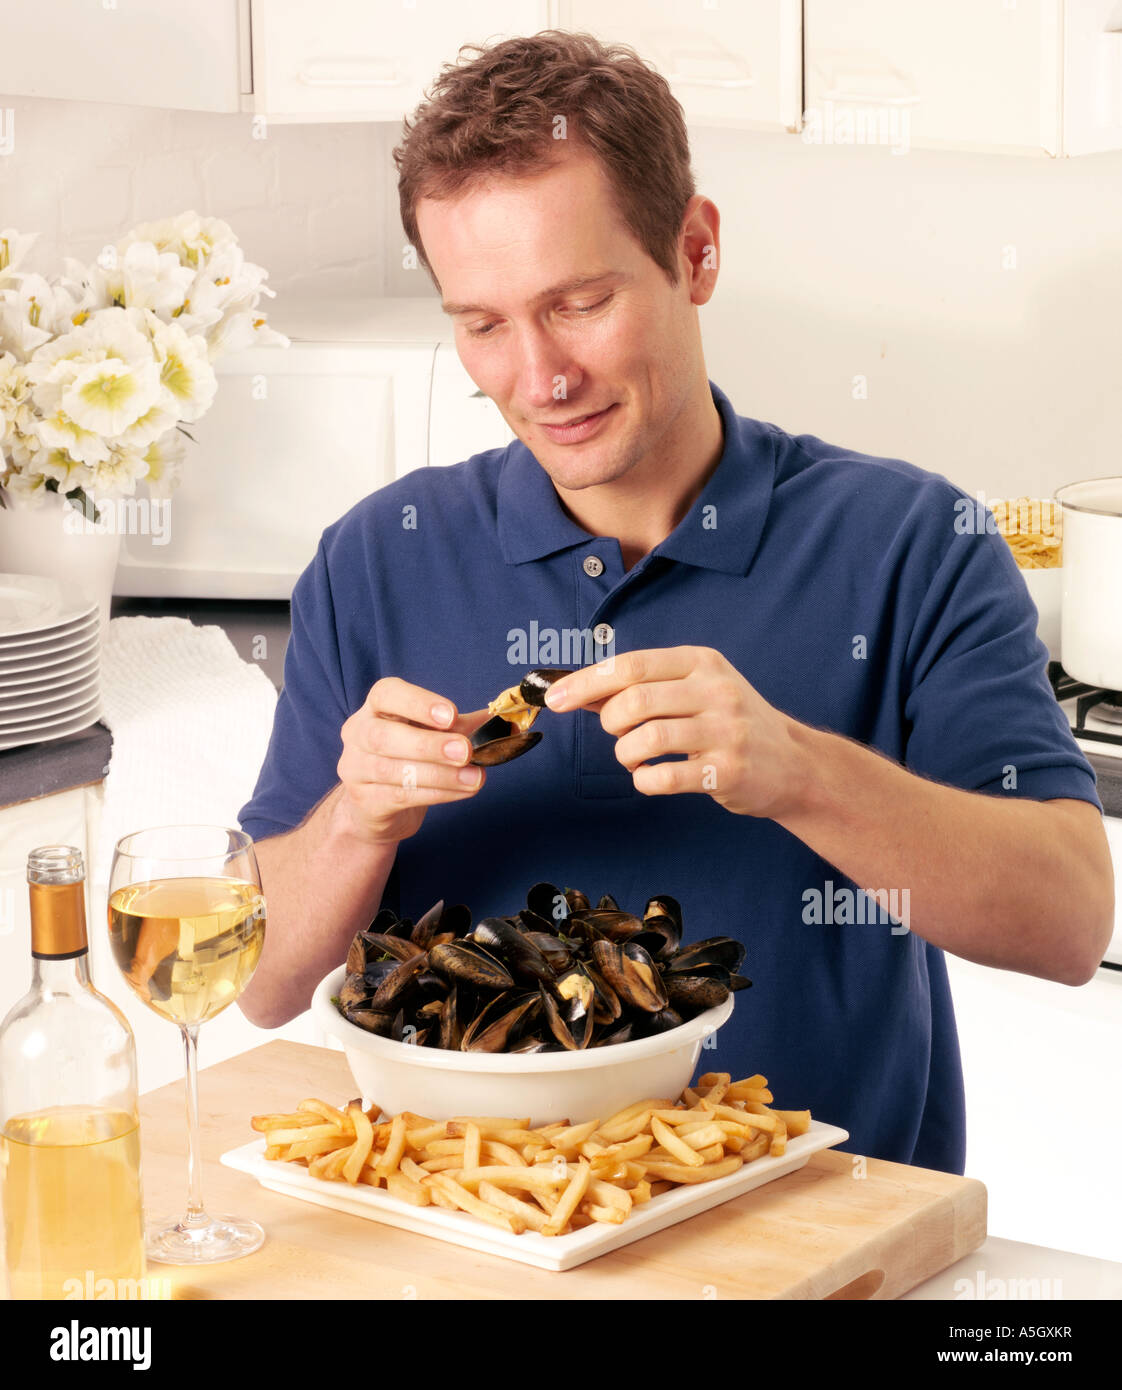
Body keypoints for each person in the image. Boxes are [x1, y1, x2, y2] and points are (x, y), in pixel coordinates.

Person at [237, 31, 1113, 1174]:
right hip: (468, 1240)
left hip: (823, 1253)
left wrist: (800, 770)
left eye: (580, 302)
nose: (539, 377)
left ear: (694, 253)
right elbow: (256, 983)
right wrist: (354, 821)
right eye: (482, 323)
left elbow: (1070, 920)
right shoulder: (376, 557)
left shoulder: (909, 542)